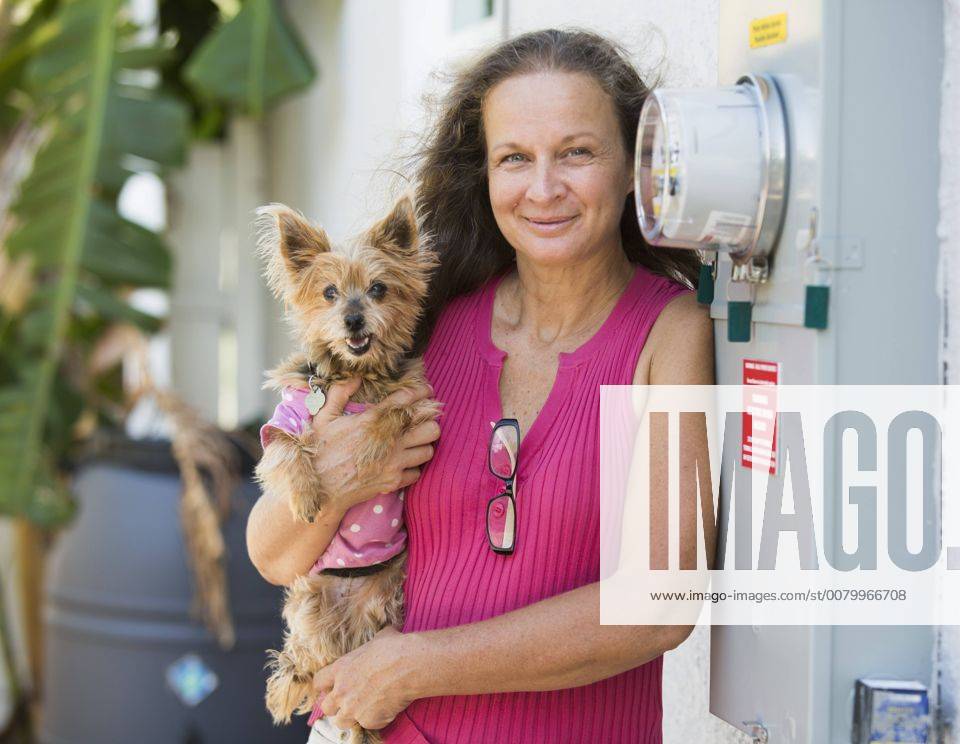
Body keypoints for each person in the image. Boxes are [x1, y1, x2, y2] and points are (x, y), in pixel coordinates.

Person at [247, 28, 715, 744]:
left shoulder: (669, 335)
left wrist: (414, 667)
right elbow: (273, 553)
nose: (543, 187)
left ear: (632, 167)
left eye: (577, 153)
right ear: (486, 176)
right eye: (514, 158)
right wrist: (336, 478)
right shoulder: (426, 323)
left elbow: (661, 602)